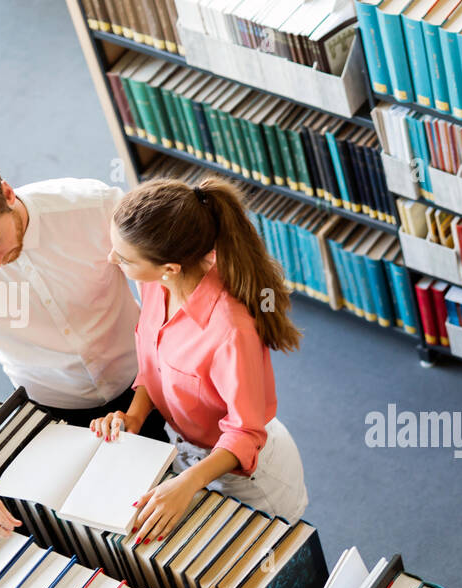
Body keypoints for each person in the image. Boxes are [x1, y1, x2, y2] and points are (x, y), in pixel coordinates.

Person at [0, 150, 164, 543]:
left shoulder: (94, 207)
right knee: (102, 535)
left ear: (8, 194)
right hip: (53, 410)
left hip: (149, 377)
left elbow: (164, 293)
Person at [91, 177, 308, 542]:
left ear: (170, 268)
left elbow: (245, 431)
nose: (112, 259)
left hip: (248, 473)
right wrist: (135, 415)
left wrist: (187, 484)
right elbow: (155, 364)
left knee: (271, 562)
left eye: (124, 258)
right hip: (188, 452)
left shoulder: (230, 331)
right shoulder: (154, 283)